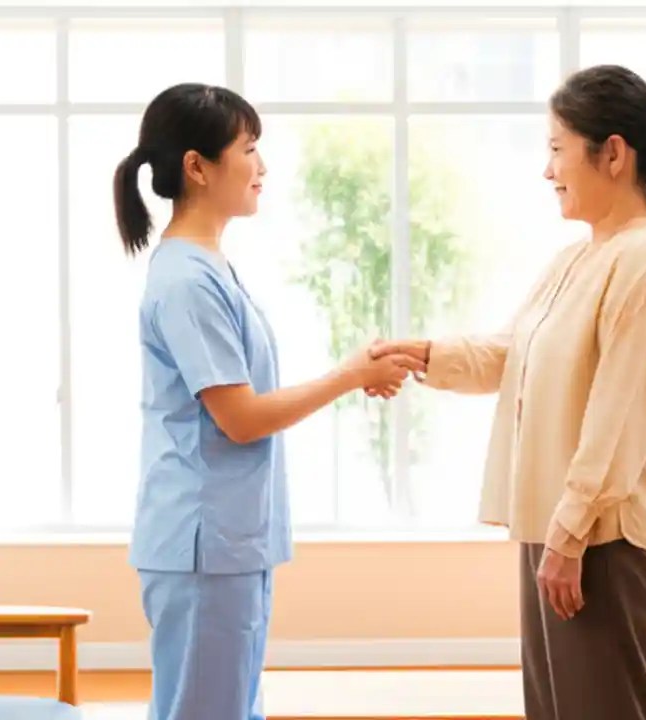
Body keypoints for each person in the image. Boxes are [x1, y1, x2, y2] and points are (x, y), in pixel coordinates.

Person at [371, 65, 646, 720]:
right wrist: (426, 355)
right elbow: (512, 356)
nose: (547, 169)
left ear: (613, 154)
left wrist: (569, 536)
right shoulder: (578, 258)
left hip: (601, 539)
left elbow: (619, 417)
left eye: (558, 148)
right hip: (562, 529)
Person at [114, 83, 424, 720]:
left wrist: (355, 375)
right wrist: (350, 375)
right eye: (249, 149)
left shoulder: (207, 268)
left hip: (228, 542)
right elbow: (241, 418)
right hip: (204, 544)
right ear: (198, 167)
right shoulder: (186, 281)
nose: (262, 166)